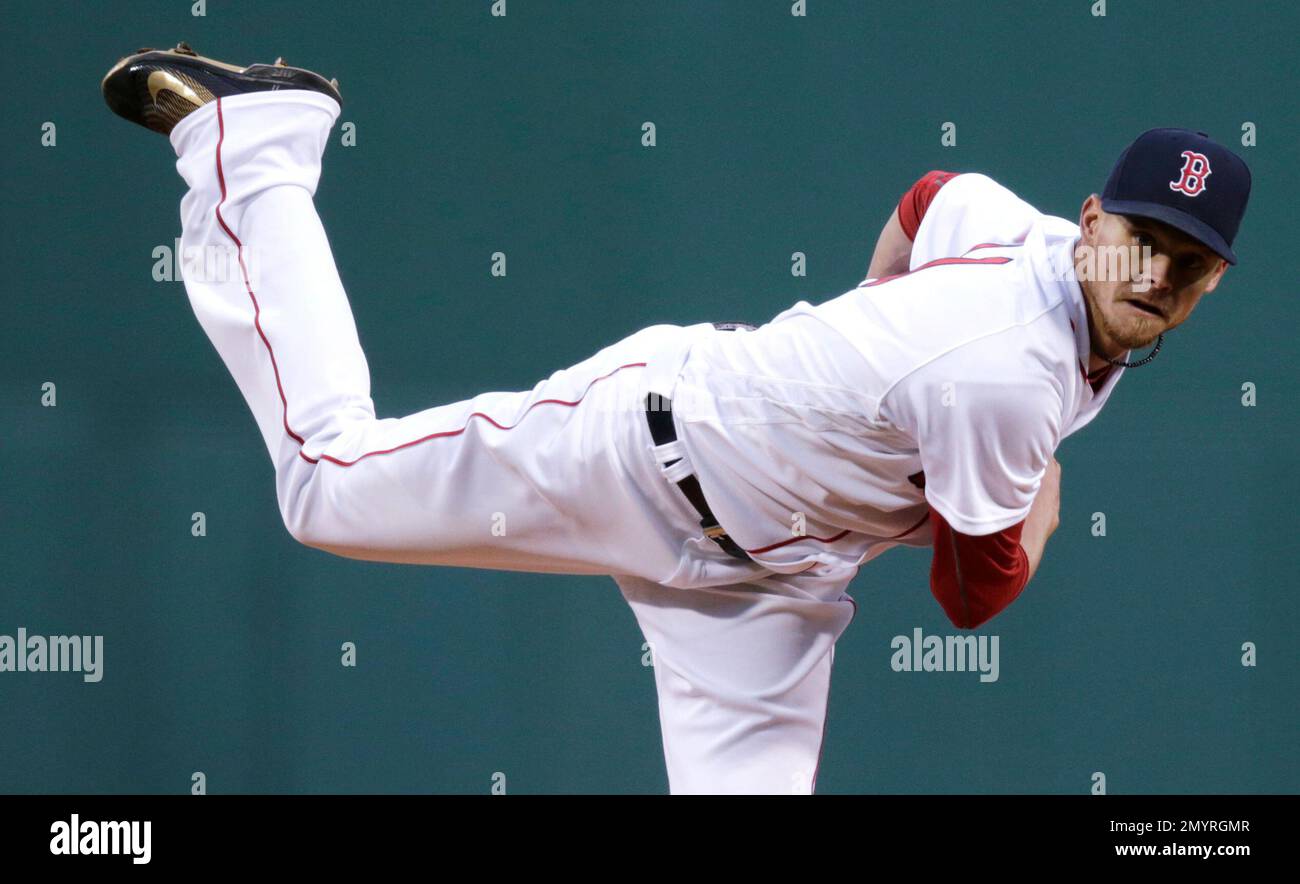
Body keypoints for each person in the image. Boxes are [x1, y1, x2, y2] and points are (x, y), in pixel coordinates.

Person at [102, 44, 1251, 794]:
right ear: (1096, 217)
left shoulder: (1022, 233)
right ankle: (259, 147)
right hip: (641, 456)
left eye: (1188, 262)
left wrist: (853, 360)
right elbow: (971, 590)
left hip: (772, 590)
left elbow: (929, 197)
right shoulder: (1006, 374)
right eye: (1142, 236)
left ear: (1213, 284)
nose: (1156, 270)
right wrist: (1038, 498)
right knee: (323, 485)